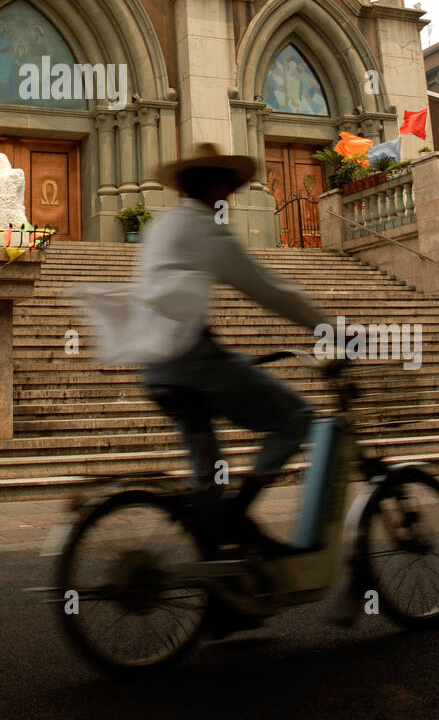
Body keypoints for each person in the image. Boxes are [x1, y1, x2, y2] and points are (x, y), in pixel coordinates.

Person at [78, 143, 330, 555]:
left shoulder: (162, 224)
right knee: (296, 416)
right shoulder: (205, 228)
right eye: (227, 186)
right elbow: (268, 289)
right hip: (191, 362)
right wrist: (331, 326)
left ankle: (215, 568)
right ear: (213, 187)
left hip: (158, 367)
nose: (230, 195)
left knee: (210, 477)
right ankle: (239, 515)